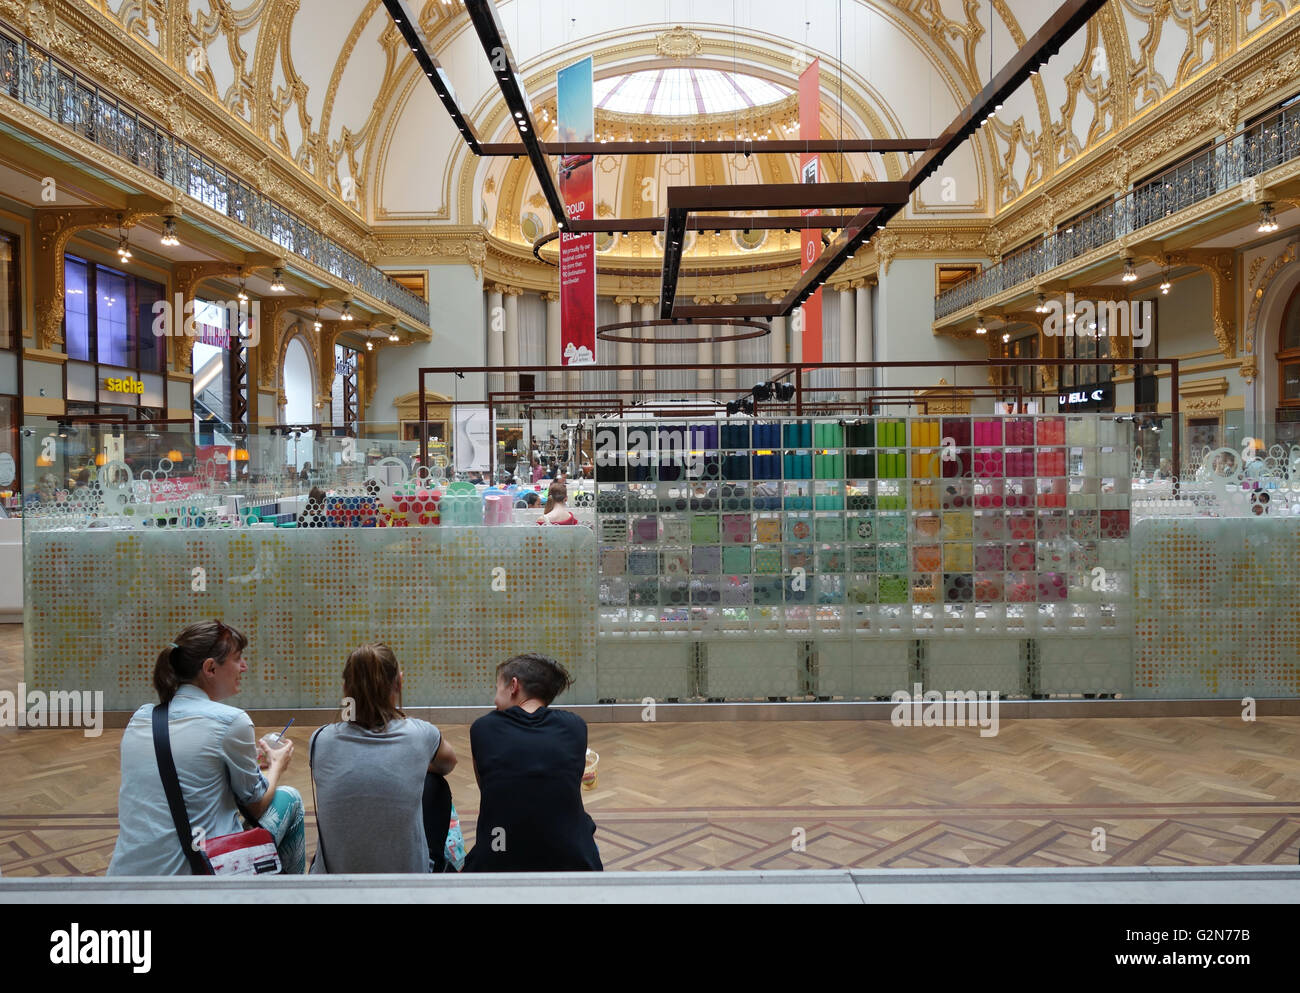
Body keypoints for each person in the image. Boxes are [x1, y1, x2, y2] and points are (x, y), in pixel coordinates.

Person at [107, 620, 306, 875]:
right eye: (238, 659)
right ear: (210, 668)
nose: (244, 667)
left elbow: (190, 776)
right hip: (198, 875)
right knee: (289, 798)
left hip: (126, 877)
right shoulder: (232, 721)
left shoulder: (141, 718)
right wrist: (277, 765)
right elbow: (256, 804)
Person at [309, 644, 458, 873]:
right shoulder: (420, 734)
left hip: (334, 886)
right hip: (406, 887)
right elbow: (448, 763)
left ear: (345, 688)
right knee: (434, 785)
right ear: (399, 682)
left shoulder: (319, 740)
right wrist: (411, 763)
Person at [463, 654, 601, 872]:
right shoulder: (575, 726)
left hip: (498, 856)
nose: (495, 700)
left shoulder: (484, 728)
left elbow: (489, 788)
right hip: (572, 859)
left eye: (497, 688)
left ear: (513, 686)